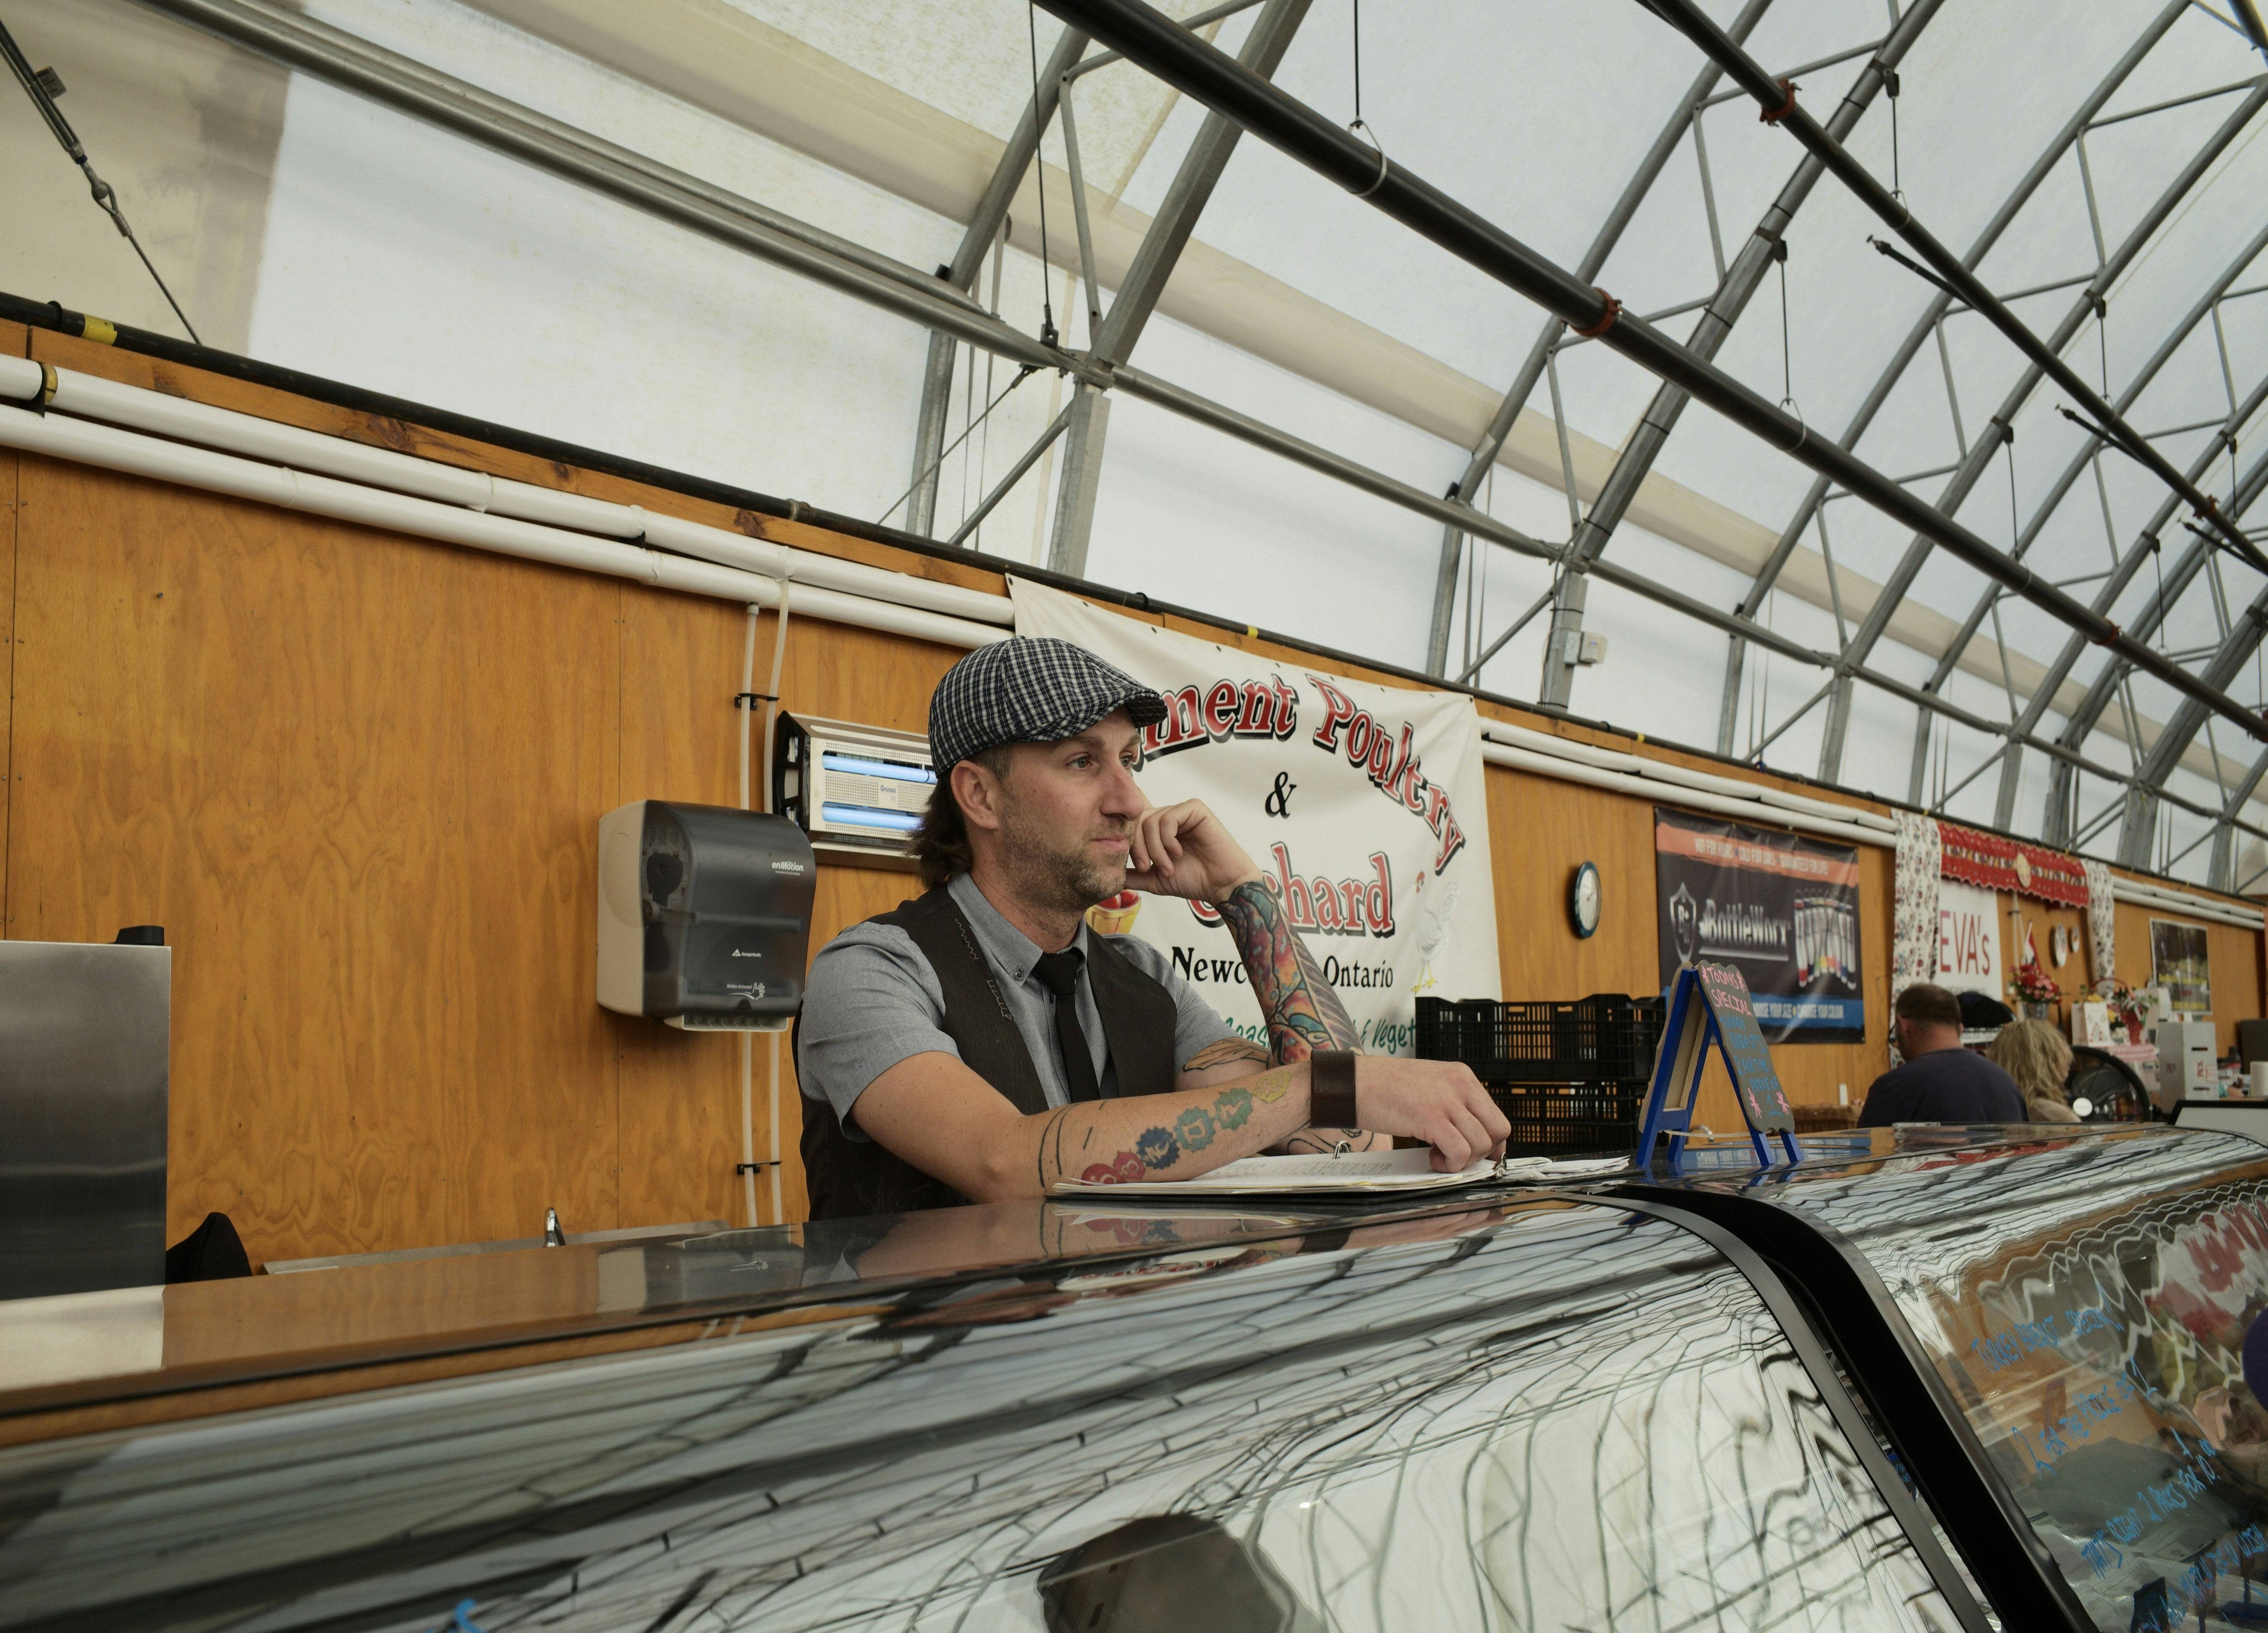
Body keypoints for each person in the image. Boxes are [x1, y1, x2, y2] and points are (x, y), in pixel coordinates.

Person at [795, 637, 1509, 1219]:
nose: (1130, 798)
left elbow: (1337, 1150)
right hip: (928, 1383)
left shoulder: (1143, 975)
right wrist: (1323, 1085)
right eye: (1083, 761)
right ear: (980, 794)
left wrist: (1244, 897)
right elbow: (1006, 1162)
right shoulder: (871, 971)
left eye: (1131, 761)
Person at [1856, 982, 2025, 1127]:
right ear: (1960, 1029)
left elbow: (1864, 1162)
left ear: (1904, 1025)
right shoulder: (2006, 1083)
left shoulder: (1894, 1088)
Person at [1985, 1019, 2082, 1124]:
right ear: (2042, 1059)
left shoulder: (1995, 1107)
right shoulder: (2055, 1116)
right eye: (2058, 1047)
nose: (2067, 1056)